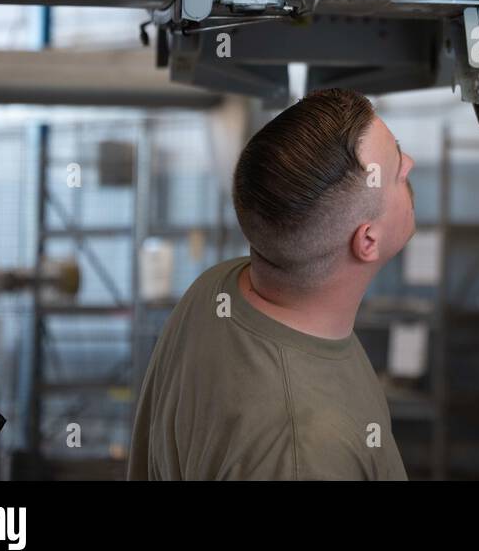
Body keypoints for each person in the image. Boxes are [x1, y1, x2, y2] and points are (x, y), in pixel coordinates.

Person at [128, 88, 414, 480]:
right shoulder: (302, 455)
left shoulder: (216, 289)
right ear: (367, 241)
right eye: (397, 170)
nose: (410, 164)